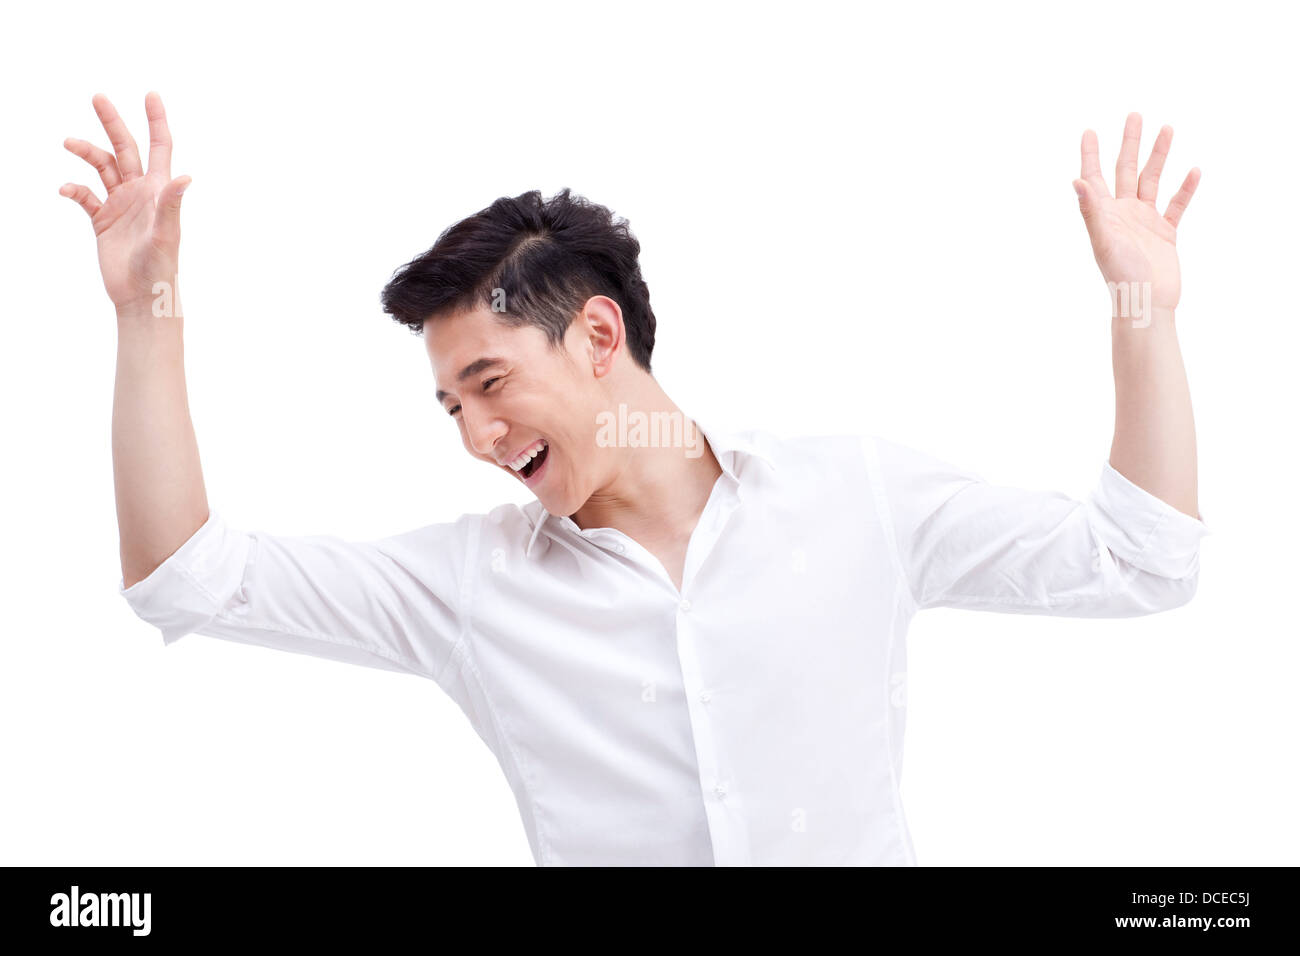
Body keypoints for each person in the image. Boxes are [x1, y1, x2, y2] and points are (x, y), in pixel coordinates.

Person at [61, 93, 1210, 866]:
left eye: (490, 381)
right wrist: (144, 311)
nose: (475, 432)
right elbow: (183, 577)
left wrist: (1142, 312)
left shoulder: (853, 497)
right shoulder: (473, 583)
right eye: (451, 405)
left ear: (598, 334)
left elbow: (1139, 559)